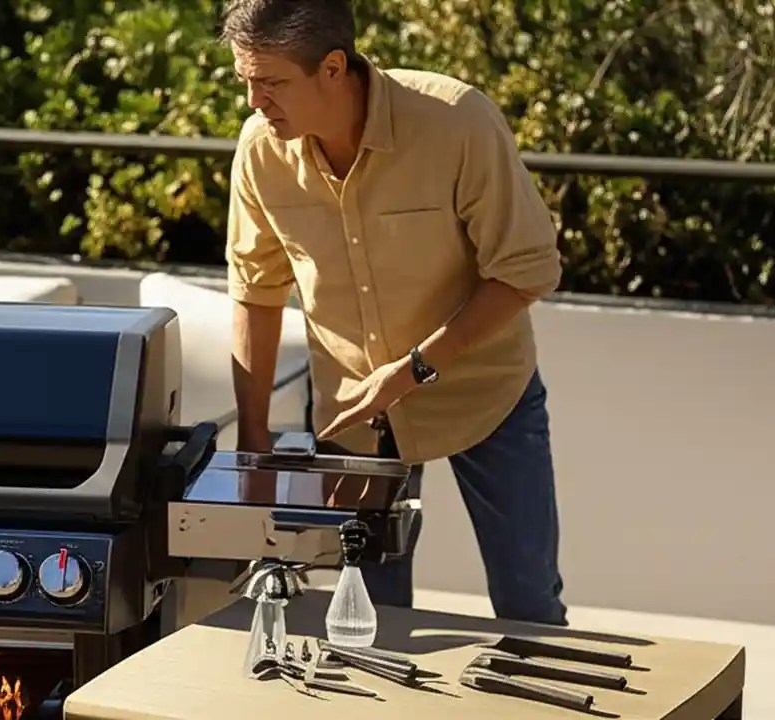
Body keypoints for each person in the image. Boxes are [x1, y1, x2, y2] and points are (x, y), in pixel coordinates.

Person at [220, 0, 569, 626]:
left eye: (270, 82)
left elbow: (527, 269)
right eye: (246, 80)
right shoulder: (260, 151)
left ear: (332, 68)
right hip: (355, 418)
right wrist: (252, 440)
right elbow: (255, 288)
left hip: (487, 396)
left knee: (528, 605)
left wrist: (411, 370)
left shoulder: (456, 121)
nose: (253, 101)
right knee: (368, 616)